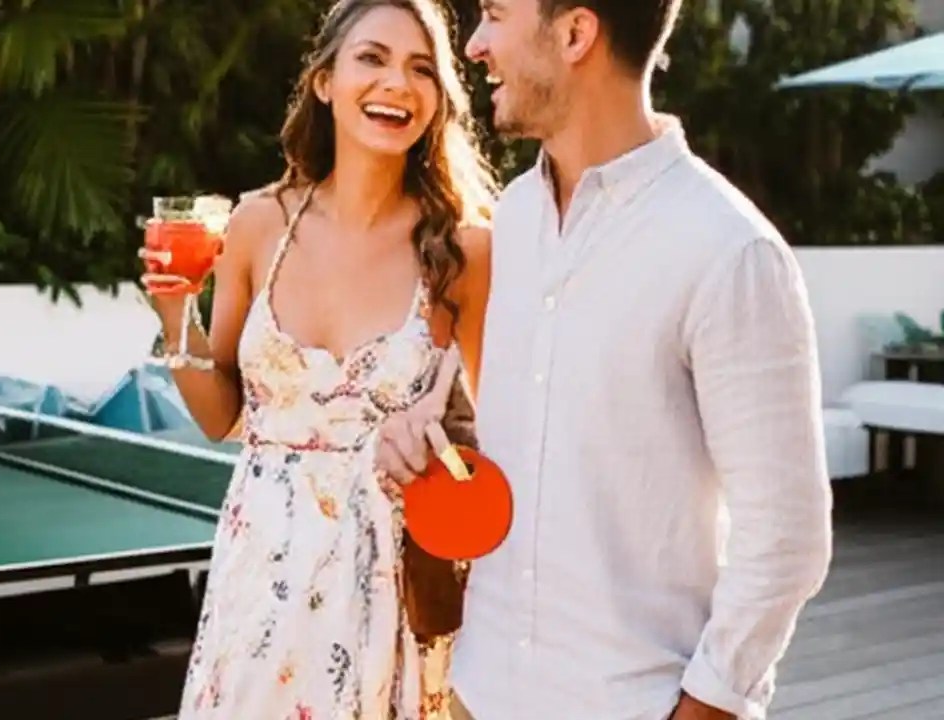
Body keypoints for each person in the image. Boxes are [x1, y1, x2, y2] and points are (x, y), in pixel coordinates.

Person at [375, 1, 835, 719]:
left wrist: (704, 708)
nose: (474, 45)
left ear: (575, 33)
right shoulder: (516, 219)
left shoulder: (729, 251)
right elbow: (547, 452)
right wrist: (437, 449)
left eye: (495, 14)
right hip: (479, 690)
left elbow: (789, 536)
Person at [139, 1, 497, 717]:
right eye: (372, 58)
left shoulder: (465, 251)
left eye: (421, 68)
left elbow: (505, 430)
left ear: (439, 100)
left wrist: (436, 440)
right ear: (325, 81)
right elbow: (220, 416)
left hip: (393, 590)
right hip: (259, 578)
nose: (397, 82)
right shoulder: (256, 224)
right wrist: (176, 313)